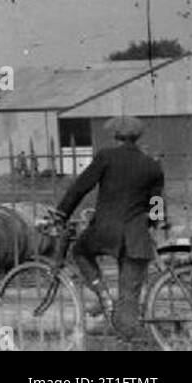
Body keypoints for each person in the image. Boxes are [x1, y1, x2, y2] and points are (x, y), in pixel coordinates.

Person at [47, 117, 164, 337]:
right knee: (129, 296)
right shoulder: (152, 165)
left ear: (115, 136)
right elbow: (156, 206)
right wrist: (150, 224)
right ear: (137, 138)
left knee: (80, 251)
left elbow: (80, 188)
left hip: (104, 231)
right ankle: (129, 337)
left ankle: (102, 294)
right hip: (135, 236)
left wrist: (61, 214)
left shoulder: (106, 157)